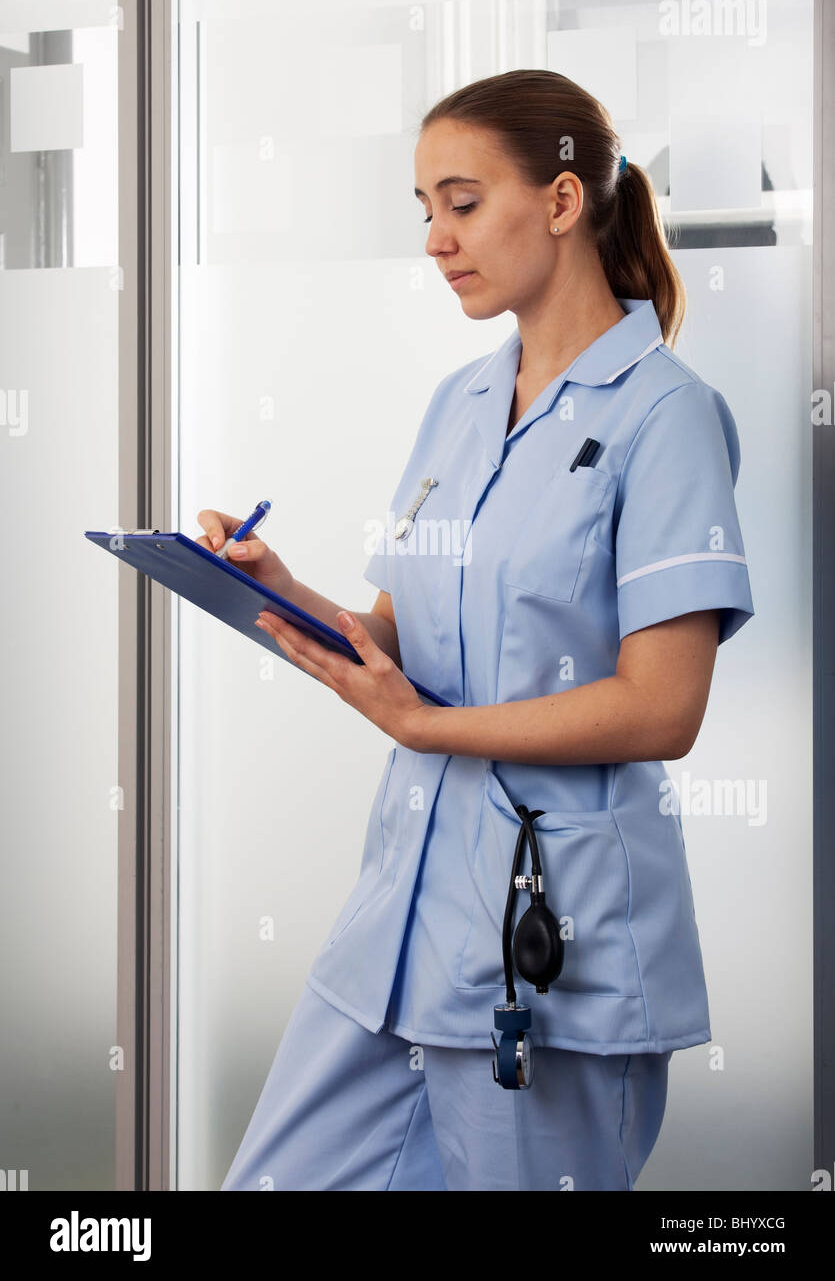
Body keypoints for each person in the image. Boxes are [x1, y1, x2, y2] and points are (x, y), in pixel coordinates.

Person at [206, 69, 754, 1192]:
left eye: (459, 203)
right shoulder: (460, 401)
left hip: (548, 946)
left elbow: (663, 706)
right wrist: (277, 582)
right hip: (397, 932)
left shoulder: (666, 415)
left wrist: (428, 725)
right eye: (423, 210)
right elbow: (398, 641)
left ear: (561, 202)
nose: (433, 239)